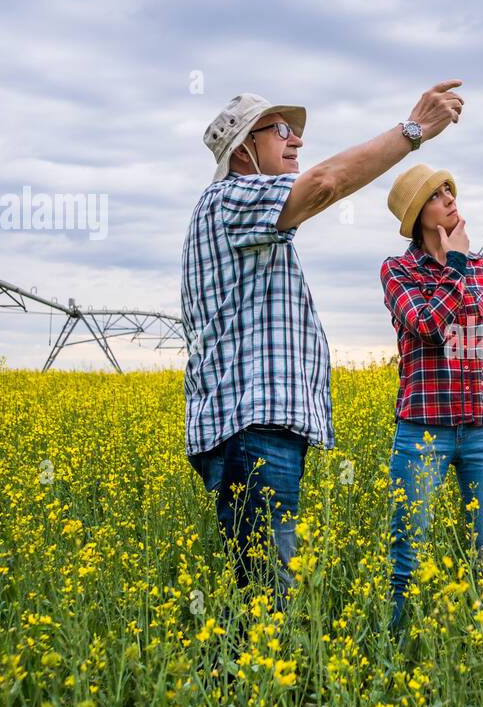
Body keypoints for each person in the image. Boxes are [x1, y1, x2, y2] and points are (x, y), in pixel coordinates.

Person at [182, 83, 464, 609]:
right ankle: (247, 689)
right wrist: (414, 131)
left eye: (299, 133)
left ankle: (250, 685)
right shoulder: (230, 200)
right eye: (283, 131)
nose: (297, 143)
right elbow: (325, 183)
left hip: (257, 430)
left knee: (263, 596)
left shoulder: (246, 226)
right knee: (267, 600)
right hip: (252, 429)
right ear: (243, 148)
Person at [379, 164, 483, 638]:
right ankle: (397, 653)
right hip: (422, 430)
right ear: (417, 213)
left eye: (451, 190)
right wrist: (456, 266)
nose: (450, 198)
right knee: (407, 555)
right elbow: (426, 323)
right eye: (436, 194)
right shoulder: (397, 271)